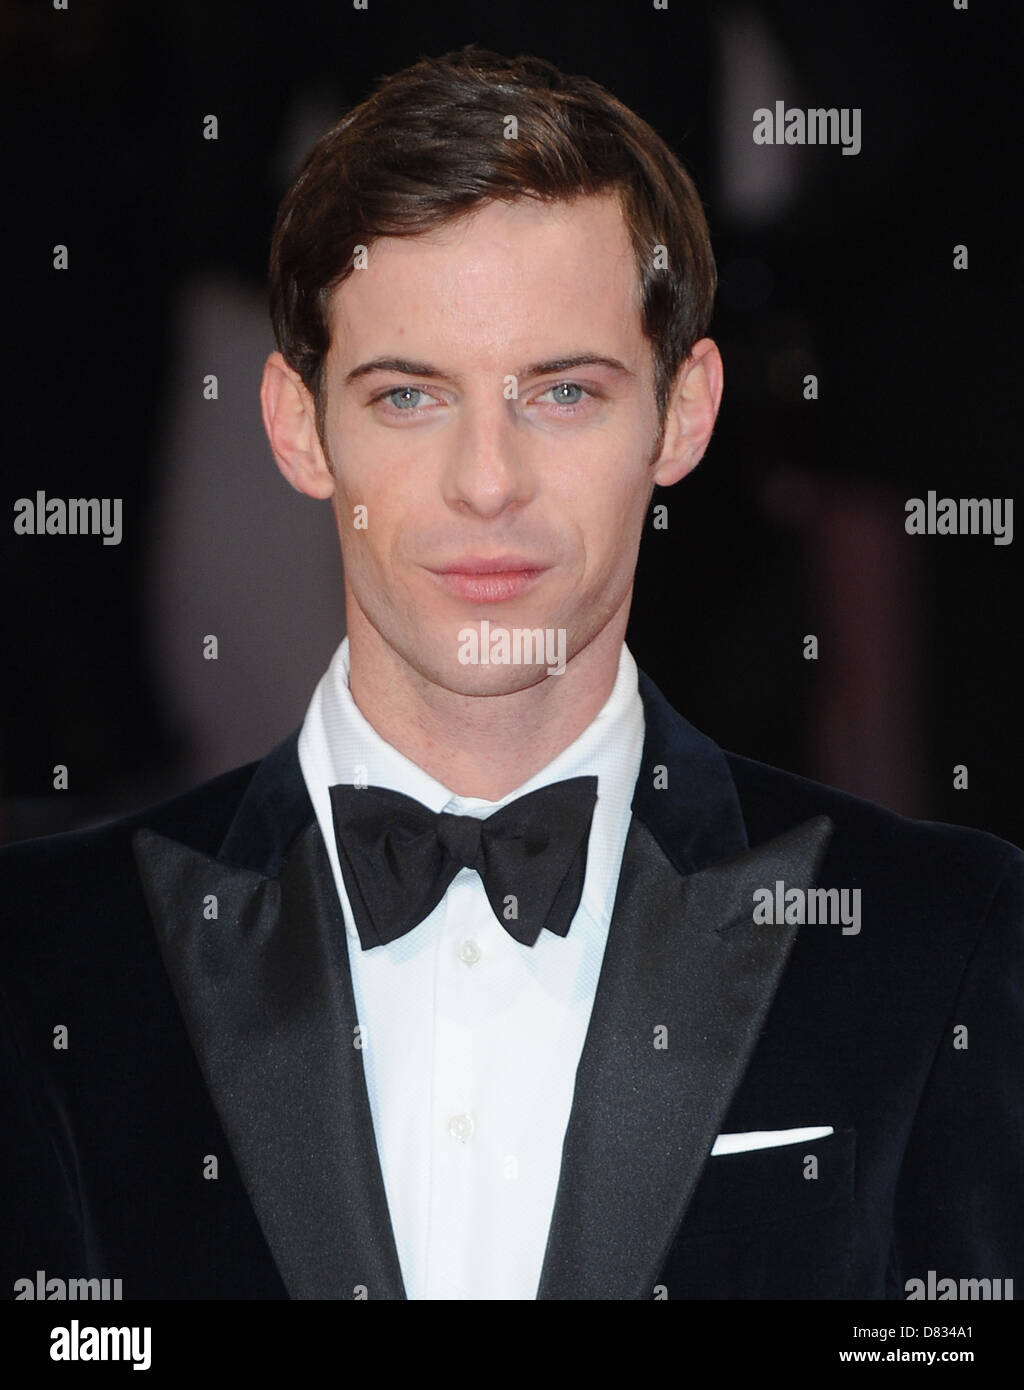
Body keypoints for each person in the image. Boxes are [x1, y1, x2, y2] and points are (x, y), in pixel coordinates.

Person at [2, 45, 1021, 1303]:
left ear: (682, 414)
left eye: (562, 393)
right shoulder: (48, 954)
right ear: (296, 425)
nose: (488, 481)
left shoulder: (943, 934)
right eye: (410, 396)